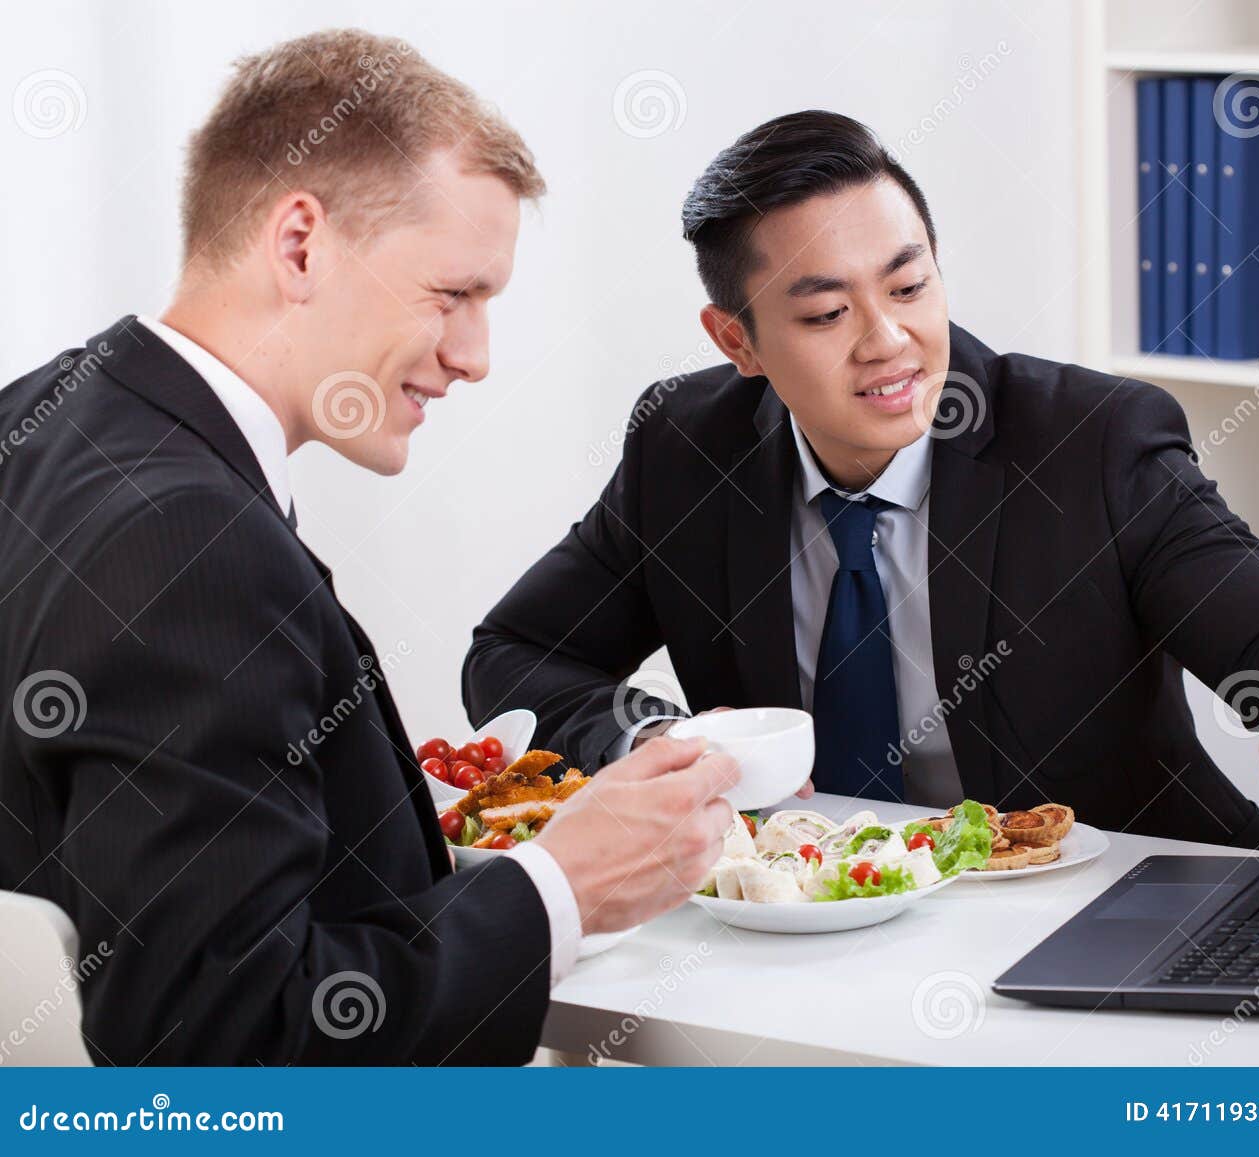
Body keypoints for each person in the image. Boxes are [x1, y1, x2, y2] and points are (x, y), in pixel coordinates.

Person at [0, 29, 736, 1065]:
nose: (475, 356)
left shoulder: (42, 417)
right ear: (299, 244)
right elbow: (224, 1040)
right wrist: (562, 885)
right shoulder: (192, 540)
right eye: (454, 294)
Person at [465, 110, 1259, 853]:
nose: (888, 341)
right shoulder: (685, 448)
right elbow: (515, 653)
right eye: (828, 311)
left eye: (909, 288)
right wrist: (655, 738)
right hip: (821, 934)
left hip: (1124, 916)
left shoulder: (1090, 445)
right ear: (735, 340)